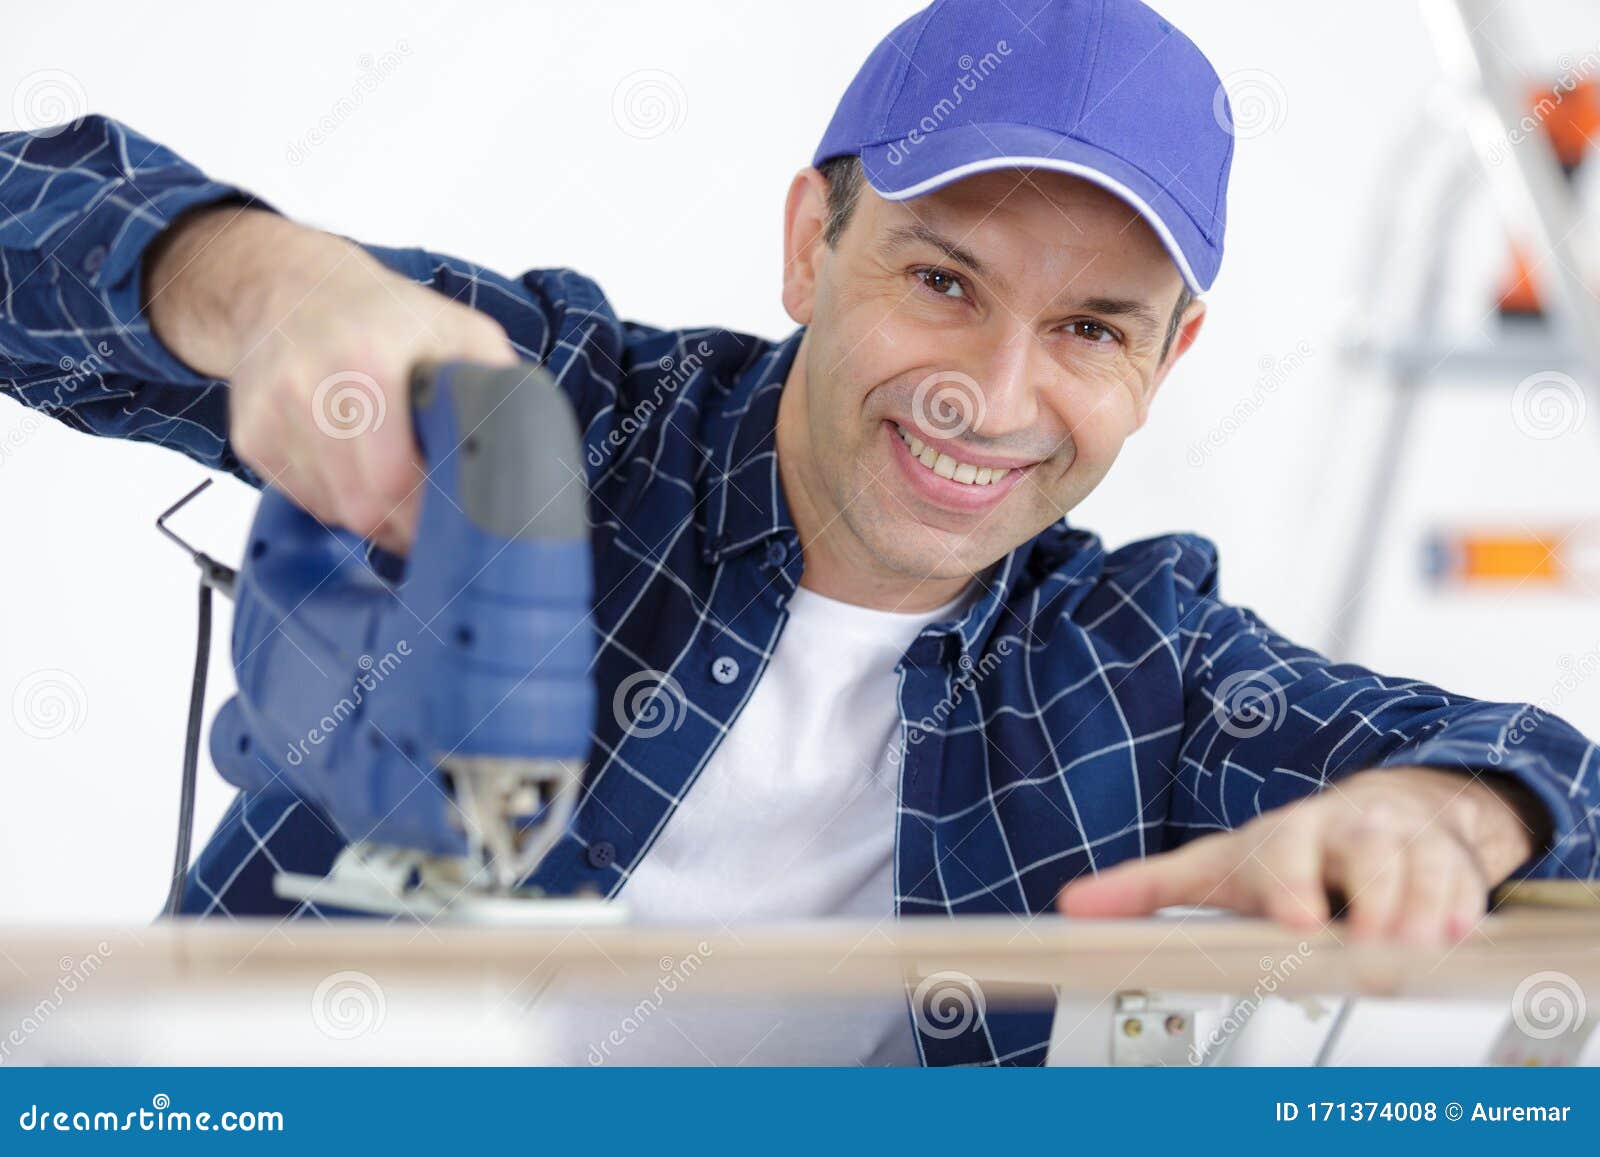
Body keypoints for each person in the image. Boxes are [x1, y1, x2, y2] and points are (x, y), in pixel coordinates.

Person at [1, 0, 1594, 1066]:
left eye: (1093, 330)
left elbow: (1544, 766)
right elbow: (29, 220)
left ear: (1166, 365)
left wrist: (1450, 820)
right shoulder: (539, 410)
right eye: (943, 281)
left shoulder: (1145, 671)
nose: (993, 393)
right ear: (810, 242)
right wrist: (278, 291)